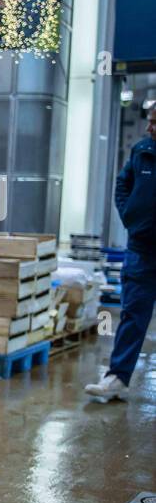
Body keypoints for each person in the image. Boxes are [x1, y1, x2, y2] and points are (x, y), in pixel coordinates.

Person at [86, 104, 156, 401]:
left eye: (154, 122)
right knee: (132, 314)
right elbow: (122, 184)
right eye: (149, 122)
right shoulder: (142, 150)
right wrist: (130, 216)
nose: (148, 128)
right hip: (142, 249)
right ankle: (117, 377)